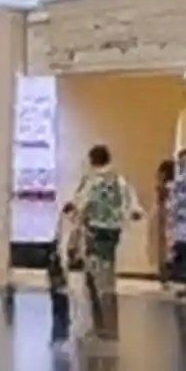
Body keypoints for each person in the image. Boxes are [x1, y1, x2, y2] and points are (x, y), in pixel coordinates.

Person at [67, 144, 143, 342]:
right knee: (105, 277)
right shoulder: (119, 180)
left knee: (97, 279)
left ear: (92, 160)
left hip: (94, 232)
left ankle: (104, 327)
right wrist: (131, 214)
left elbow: (80, 206)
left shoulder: (92, 181)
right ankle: (106, 326)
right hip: (112, 233)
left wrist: (74, 224)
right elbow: (133, 204)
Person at [166, 150, 186, 297]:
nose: (185, 165)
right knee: (185, 255)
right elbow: (173, 203)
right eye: (182, 162)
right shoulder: (178, 181)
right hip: (181, 226)